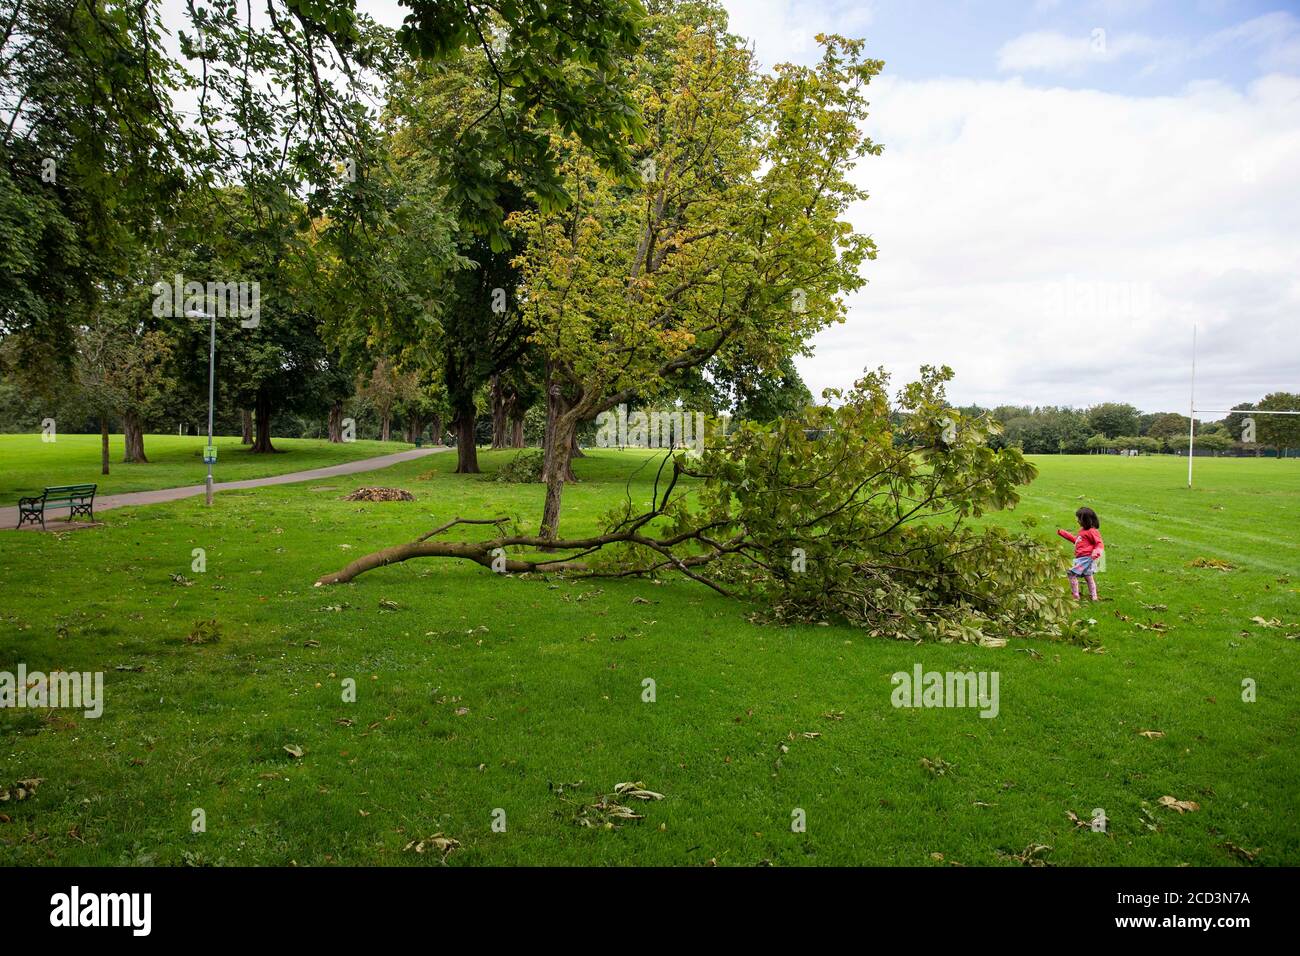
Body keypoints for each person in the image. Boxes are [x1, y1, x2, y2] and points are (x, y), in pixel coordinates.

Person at [1058, 506, 1104, 601]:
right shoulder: (1083, 531)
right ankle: (1094, 597)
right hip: (1082, 558)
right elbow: (1077, 541)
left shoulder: (1092, 532)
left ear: (1086, 520)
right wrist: (1064, 534)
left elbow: (1099, 543)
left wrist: (1096, 552)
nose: (1077, 520)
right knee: (1088, 577)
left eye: (1079, 518)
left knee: (1071, 574)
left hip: (1086, 558)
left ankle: (1075, 596)